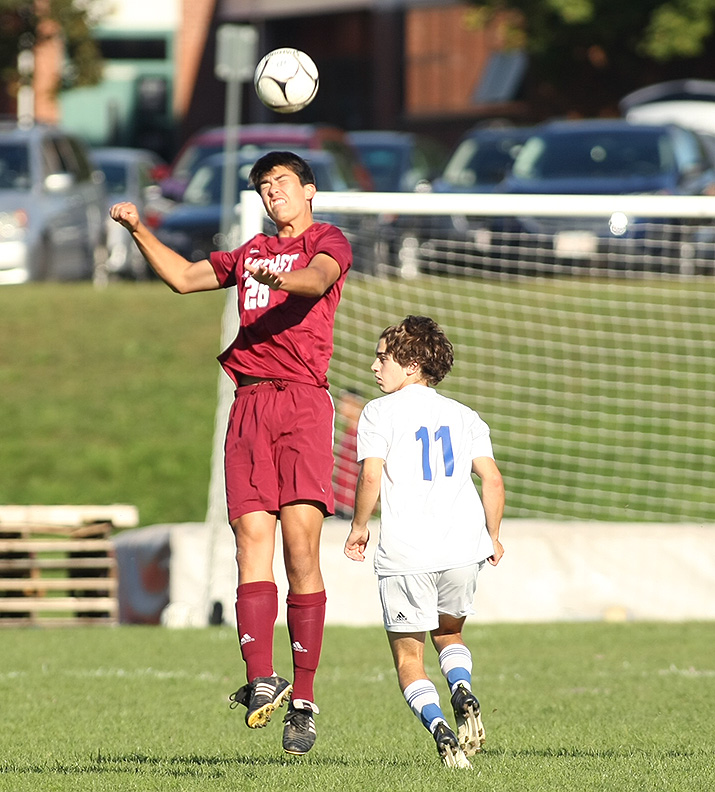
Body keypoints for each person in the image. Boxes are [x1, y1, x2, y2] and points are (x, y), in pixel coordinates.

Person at [110, 151, 352, 756]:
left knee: (300, 546)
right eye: (265, 187)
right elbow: (184, 278)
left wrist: (278, 278)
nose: (274, 195)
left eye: (283, 184)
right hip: (249, 406)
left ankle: (304, 698)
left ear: (310, 190)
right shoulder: (248, 253)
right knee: (250, 539)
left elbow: (318, 279)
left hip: (301, 404)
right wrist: (141, 229)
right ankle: (260, 680)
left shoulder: (326, 240)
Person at [344, 315, 505, 769]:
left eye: (383, 358)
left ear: (412, 365)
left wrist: (359, 526)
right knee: (449, 632)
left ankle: (439, 727)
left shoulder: (379, 412)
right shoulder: (464, 414)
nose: (375, 367)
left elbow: (371, 473)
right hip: (462, 549)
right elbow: (491, 479)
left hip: (407, 553)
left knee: (408, 655)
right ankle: (462, 688)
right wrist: (492, 537)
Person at [332, 389, 364, 519]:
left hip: (353, 504)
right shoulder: (347, 432)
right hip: (339, 501)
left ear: (356, 404)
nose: (340, 407)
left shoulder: (360, 434)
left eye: (345, 402)